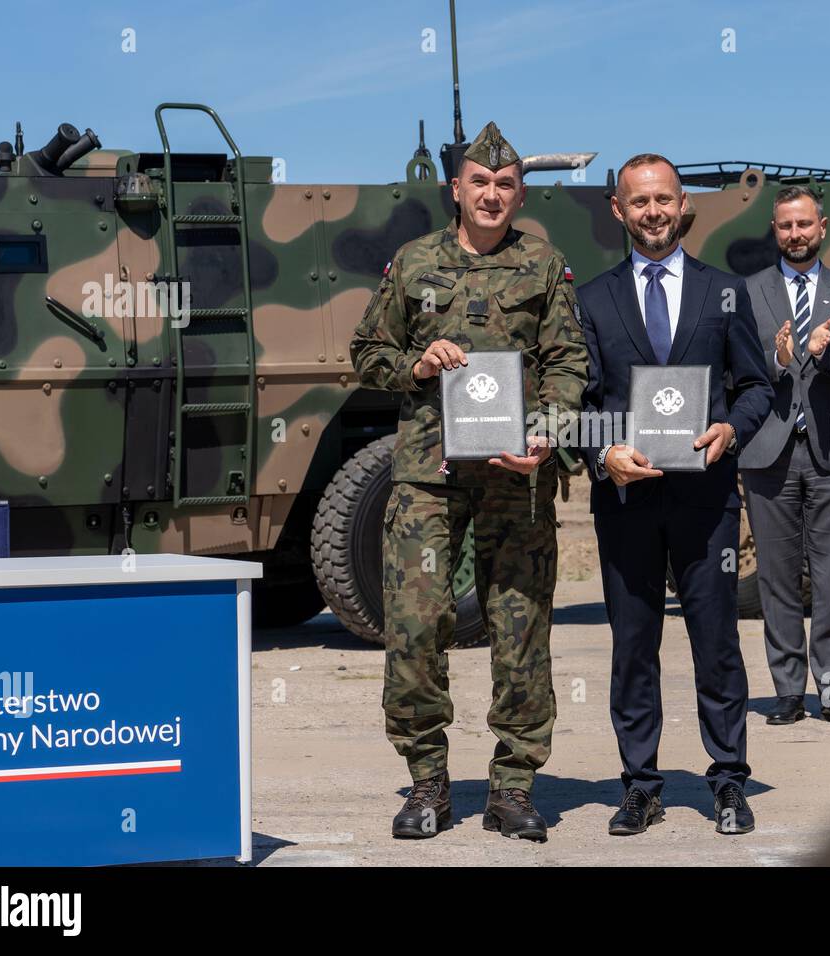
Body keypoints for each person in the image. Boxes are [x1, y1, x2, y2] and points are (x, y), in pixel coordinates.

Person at [350, 122, 587, 840]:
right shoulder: (414, 262)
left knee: (520, 631)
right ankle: (428, 783)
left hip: (516, 480)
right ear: (457, 189)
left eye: (506, 185)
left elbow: (569, 364)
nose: (492, 195)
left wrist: (547, 431)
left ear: (519, 195)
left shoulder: (544, 266)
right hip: (429, 474)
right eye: (479, 183)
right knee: (417, 627)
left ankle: (512, 787)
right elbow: (366, 352)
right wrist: (416, 365)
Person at [576, 153, 773, 836]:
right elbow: (578, 398)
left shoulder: (725, 291)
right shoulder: (592, 299)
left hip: (706, 497)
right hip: (626, 501)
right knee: (633, 645)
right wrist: (604, 454)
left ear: (682, 204)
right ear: (618, 210)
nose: (653, 213)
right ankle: (641, 784)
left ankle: (727, 781)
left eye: (663, 200)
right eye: (639, 202)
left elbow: (755, 386)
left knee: (716, 642)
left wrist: (731, 429)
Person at [738, 185, 830, 727]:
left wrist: (827, 352)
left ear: (822, 227)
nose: (795, 234)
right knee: (776, 577)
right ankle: (789, 691)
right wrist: (778, 357)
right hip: (769, 451)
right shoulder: (748, 293)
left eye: (803, 225)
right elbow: (737, 374)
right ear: (776, 232)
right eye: (784, 227)